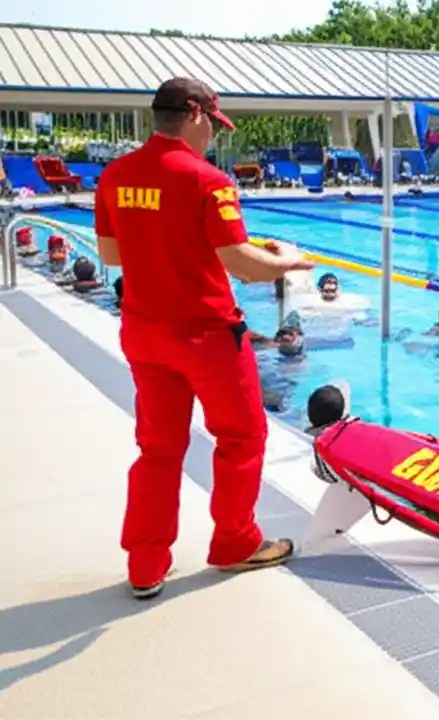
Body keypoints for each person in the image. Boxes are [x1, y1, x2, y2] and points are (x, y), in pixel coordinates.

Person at [94, 76, 314, 600]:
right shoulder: (207, 180)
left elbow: (111, 256)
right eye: (213, 123)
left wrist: (169, 246)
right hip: (208, 336)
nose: (214, 134)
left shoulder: (115, 176)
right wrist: (288, 261)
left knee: (157, 448)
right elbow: (242, 265)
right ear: (194, 114)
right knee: (241, 438)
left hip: (145, 332)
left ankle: (146, 564)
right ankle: (235, 542)